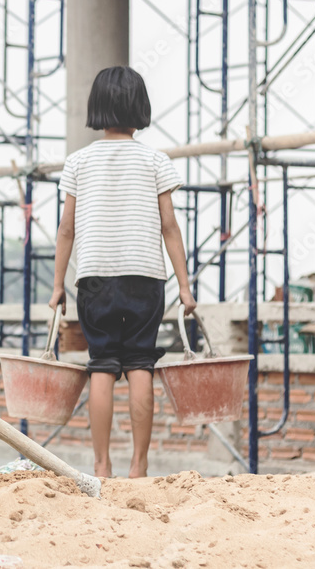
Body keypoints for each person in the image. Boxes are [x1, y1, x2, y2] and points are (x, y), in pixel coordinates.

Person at [48, 66, 197, 479]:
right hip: (146, 277)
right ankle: (139, 464)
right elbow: (170, 228)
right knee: (139, 365)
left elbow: (66, 229)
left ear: (96, 107)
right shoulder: (155, 160)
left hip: (94, 277)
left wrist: (58, 285)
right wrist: (184, 286)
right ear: (140, 108)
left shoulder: (78, 161)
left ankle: (101, 464)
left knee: (102, 365)